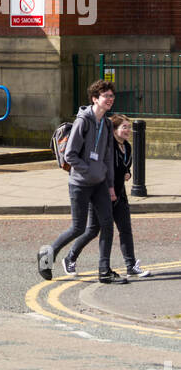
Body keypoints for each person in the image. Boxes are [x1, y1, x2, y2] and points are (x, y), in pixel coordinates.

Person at [38, 80, 124, 285]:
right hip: (80, 183)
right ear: (95, 99)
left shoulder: (106, 123)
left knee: (107, 225)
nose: (110, 99)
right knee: (78, 227)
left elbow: (107, 158)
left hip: (100, 183)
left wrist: (110, 184)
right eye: (106, 96)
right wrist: (89, 170)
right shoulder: (83, 121)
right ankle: (47, 256)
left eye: (112, 96)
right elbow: (70, 155)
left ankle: (104, 270)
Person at [61, 113, 151, 279]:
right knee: (92, 230)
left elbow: (124, 167)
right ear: (114, 129)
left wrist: (128, 174)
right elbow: (105, 167)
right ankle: (70, 258)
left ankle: (130, 266)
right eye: (124, 127)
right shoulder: (108, 147)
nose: (128, 130)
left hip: (119, 194)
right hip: (101, 193)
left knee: (125, 229)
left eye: (129, 127)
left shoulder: (128, 147)